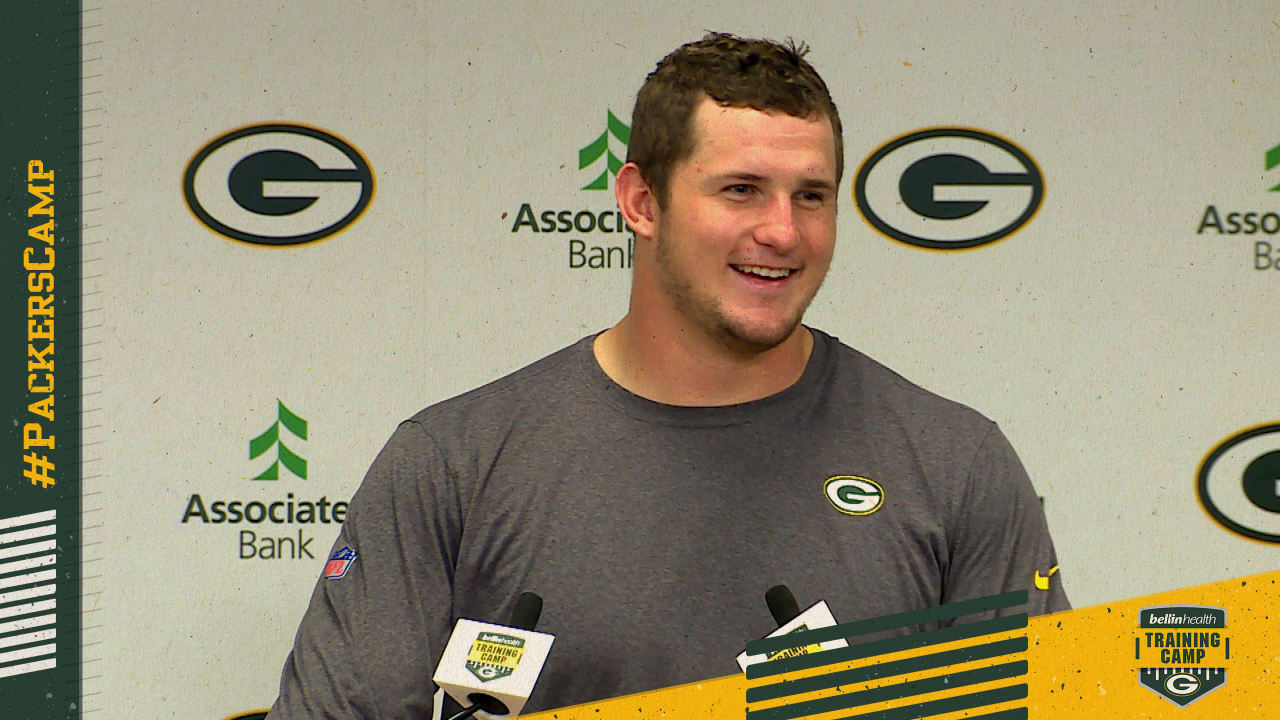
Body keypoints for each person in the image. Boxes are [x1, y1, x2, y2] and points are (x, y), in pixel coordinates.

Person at [268, 32, 1068, 719]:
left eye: (812, 196)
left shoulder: (952, 464)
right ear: (641, 202)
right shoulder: (454, 462)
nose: (783, 232)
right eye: (742, 190)